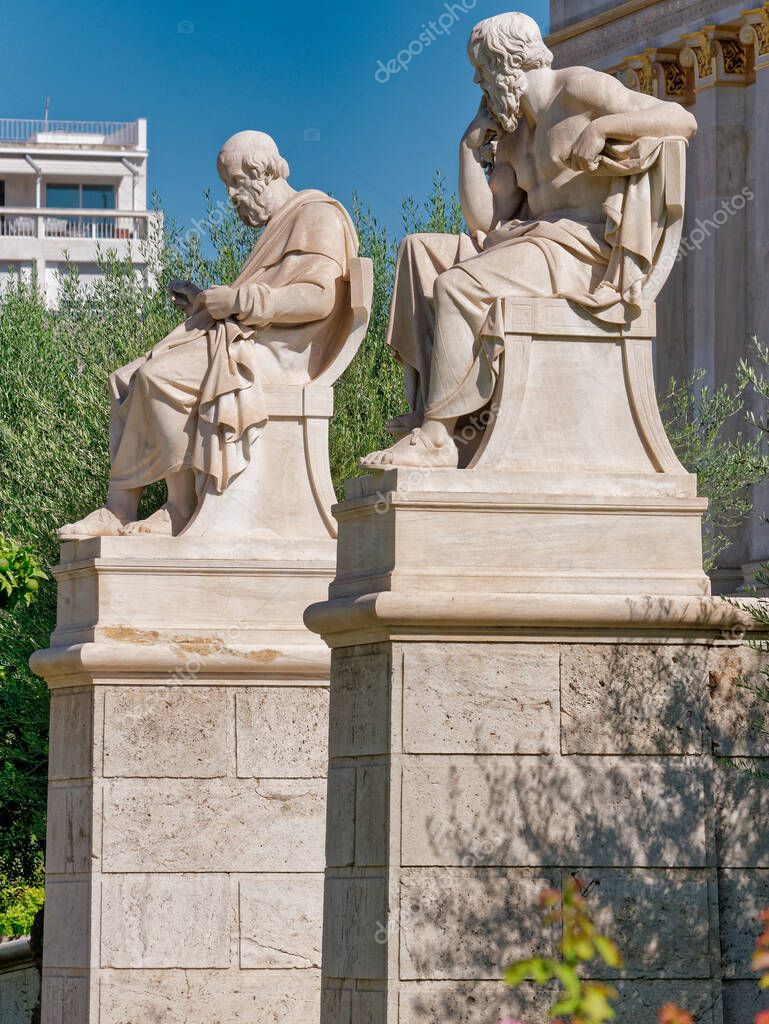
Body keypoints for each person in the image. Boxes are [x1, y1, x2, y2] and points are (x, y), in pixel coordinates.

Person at [362, 11, 697, 470]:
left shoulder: (577, 88)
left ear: (508, 63)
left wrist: (602, 128)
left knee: (456, 287)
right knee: (420, 251)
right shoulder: (516, 131)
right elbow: (483, 218)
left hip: (582, 250)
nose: (477, 79)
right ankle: (423, 414)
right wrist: (468, 145)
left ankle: (439, 437)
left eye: (481, 68)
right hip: (532, 243)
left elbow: (679, 119)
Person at [61, 131, 357, 537]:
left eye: (235, 182)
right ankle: (120, 507)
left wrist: (239, 301)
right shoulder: (280, 225)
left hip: (284, 354)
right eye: (228, 185)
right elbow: (264, 295)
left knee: (158, 378)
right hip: (250, 340)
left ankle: (180, 507)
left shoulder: (316, 214)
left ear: (262, 173)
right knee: (125, 379)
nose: (232, 195)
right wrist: (204, 301)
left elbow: (318, 298)